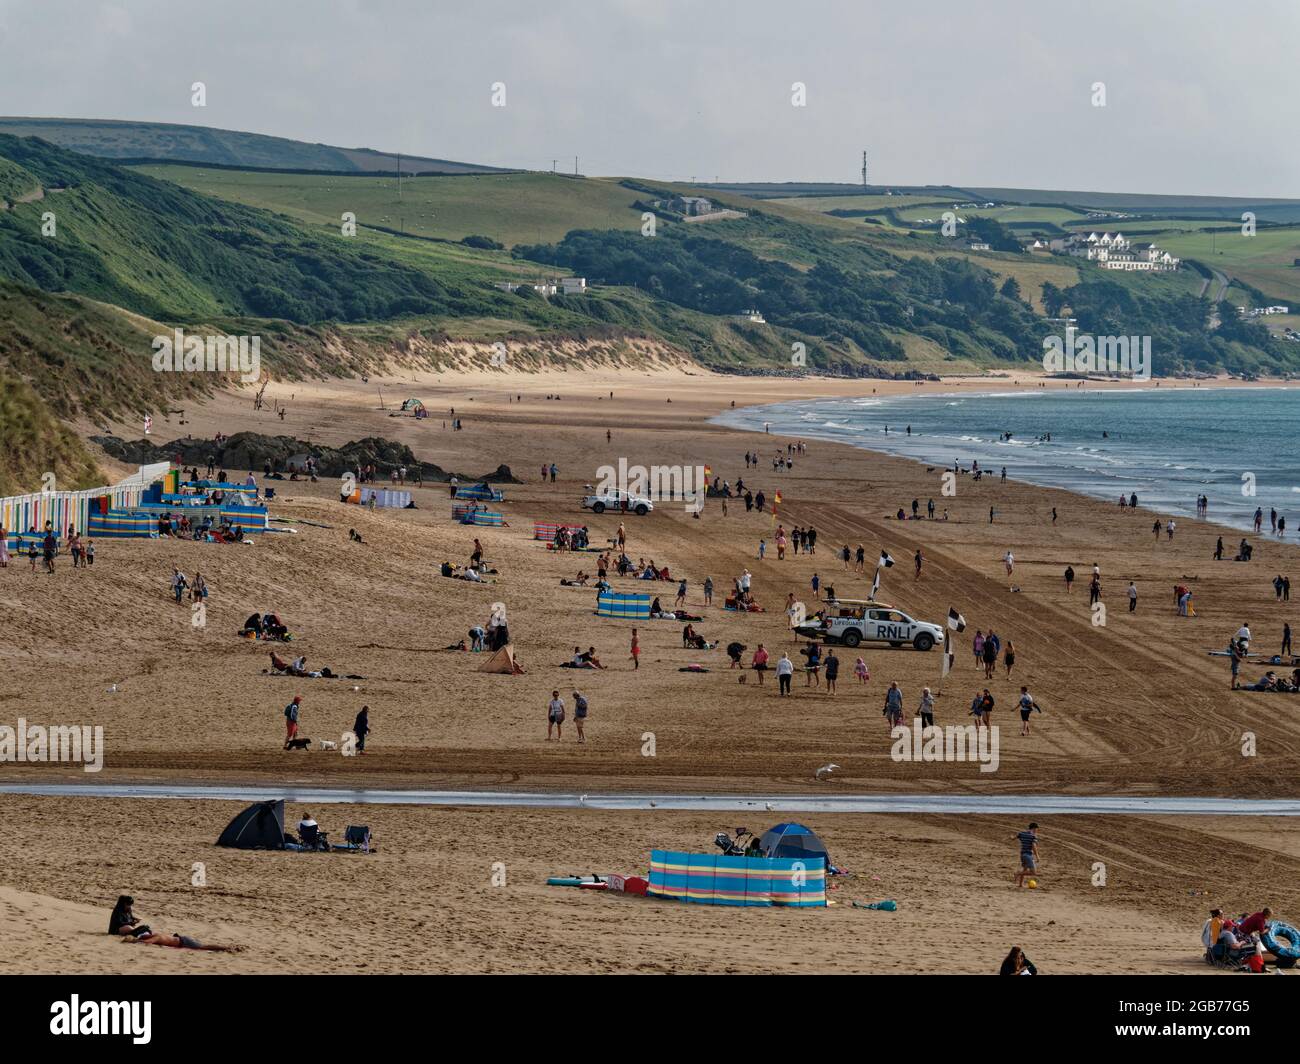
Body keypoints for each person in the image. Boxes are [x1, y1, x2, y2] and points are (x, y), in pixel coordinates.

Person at [1015, 823, 1039, 888]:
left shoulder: (1022, 833)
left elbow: (1016, 836)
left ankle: (1020, 884)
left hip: (1022, 854)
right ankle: (1018, 873)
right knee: (1033, 872)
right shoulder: (1033, 836)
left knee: (1024, 869)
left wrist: (1011, 838)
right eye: (1036, 829)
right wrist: (1037, 856)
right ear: (1034, 828)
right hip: (1028, 855)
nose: (1037, 830)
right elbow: (1034, 846)